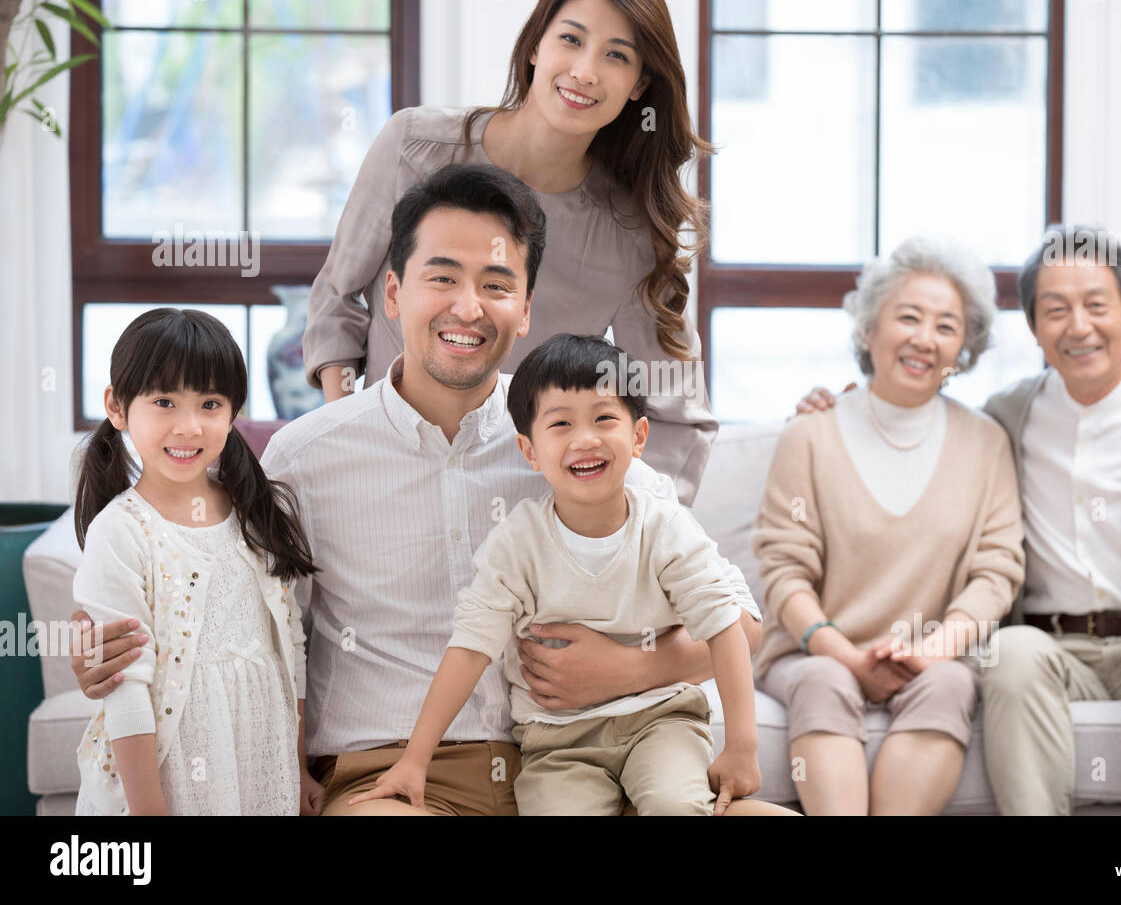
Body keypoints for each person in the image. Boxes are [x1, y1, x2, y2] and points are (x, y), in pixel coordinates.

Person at [72, 164, 776, 815]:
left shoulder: (573, 439)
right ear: (392, 293)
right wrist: (108, 644)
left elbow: (741, 620)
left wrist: (630, 667)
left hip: (586, 761)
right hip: (395, 782)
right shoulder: (306, 458)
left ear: (526, 308)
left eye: (497, 285)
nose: (468, 307)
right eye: (443, 277)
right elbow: (222, 593)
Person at [796, 225, 1121, 815]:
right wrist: (849, 405)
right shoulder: (1004, 416)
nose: (1077, 326)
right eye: (1055, 310)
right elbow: (917, 420)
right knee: (1010, 653)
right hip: (1054, 647)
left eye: (1096, 305)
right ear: (1034, 327)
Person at [304, 0, 717, 505]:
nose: (586, 71)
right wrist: (348, 428)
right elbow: (337, 298)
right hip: (377, 477)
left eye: (616, 55)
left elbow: (676, 411)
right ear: (534, 46)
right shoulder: (414, 146)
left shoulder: (631, 232)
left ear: (640, 83)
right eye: (571, 39)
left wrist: (616, 528)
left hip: (523, 513)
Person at [348, 334, 761, 816]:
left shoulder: (666, 527)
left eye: (604, 418)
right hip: (558, 739)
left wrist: (742, 748)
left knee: (674, 805)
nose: (585, 439)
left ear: (639, 437)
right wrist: (414, 761)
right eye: (561, 424)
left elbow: (725, 626)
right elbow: (470, 648)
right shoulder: (517, 541)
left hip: (661, 720)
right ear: (530, 450)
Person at [753, 237, 1025, 815]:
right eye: (908, 316)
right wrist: (844, 655)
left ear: (964, 349)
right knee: (826, 680)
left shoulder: (986, 443)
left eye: (947, 326)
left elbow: (997, 572)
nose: (925, 338)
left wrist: (934, 651)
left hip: (932, 656)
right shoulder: (810, 434)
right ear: (869, 329)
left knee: (953, 684)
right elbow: (783, 571)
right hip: (815, 653)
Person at [70, 309, 320, 816]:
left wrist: (297, 770)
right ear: (117, 407)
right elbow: (125, 690)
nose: (188, 426)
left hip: (259, 761)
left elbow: (291, 651)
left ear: (234, 413)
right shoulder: (120, 531)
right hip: (164, 780)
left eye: (210, 403)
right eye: (164, 402)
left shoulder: (261, 512)